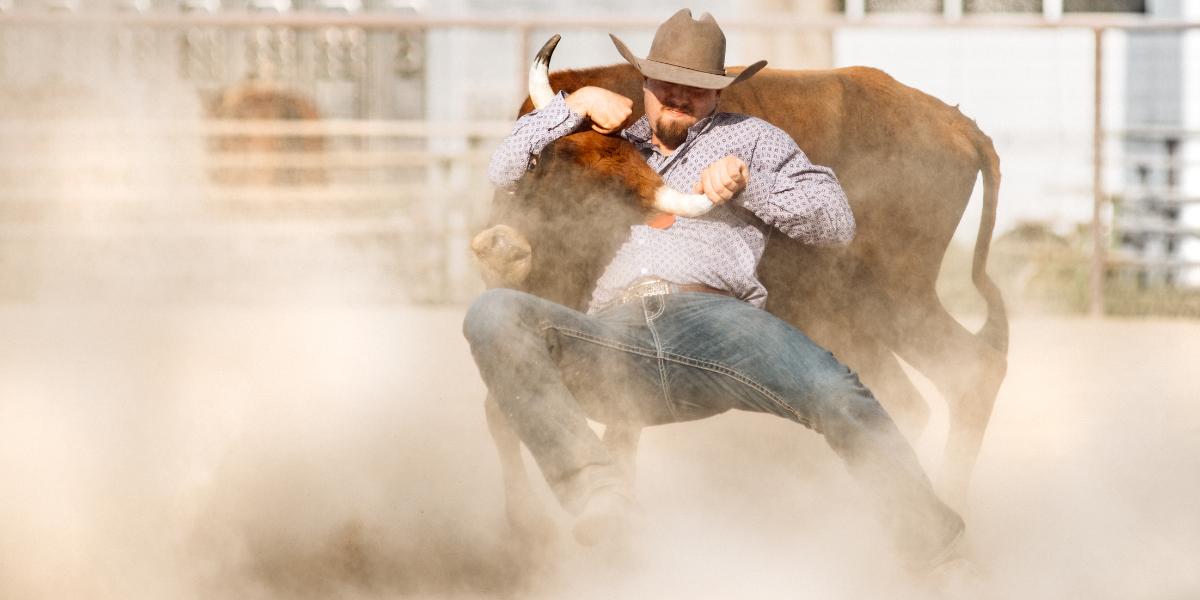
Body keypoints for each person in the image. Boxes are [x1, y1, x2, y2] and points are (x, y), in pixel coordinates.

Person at [463, 8, 965, 573]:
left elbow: (835, 221)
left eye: (697, 88)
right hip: (616, 333)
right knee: (493, 313)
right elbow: (505, 170)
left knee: (837, 390)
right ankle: (596, 489)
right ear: (645, 81)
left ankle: (938, 554)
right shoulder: (599, 139)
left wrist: (750, 187)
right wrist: (570, 107)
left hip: (718, 325)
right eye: (666, 82)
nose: (678, 95)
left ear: (718, 94)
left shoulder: (753, 140)